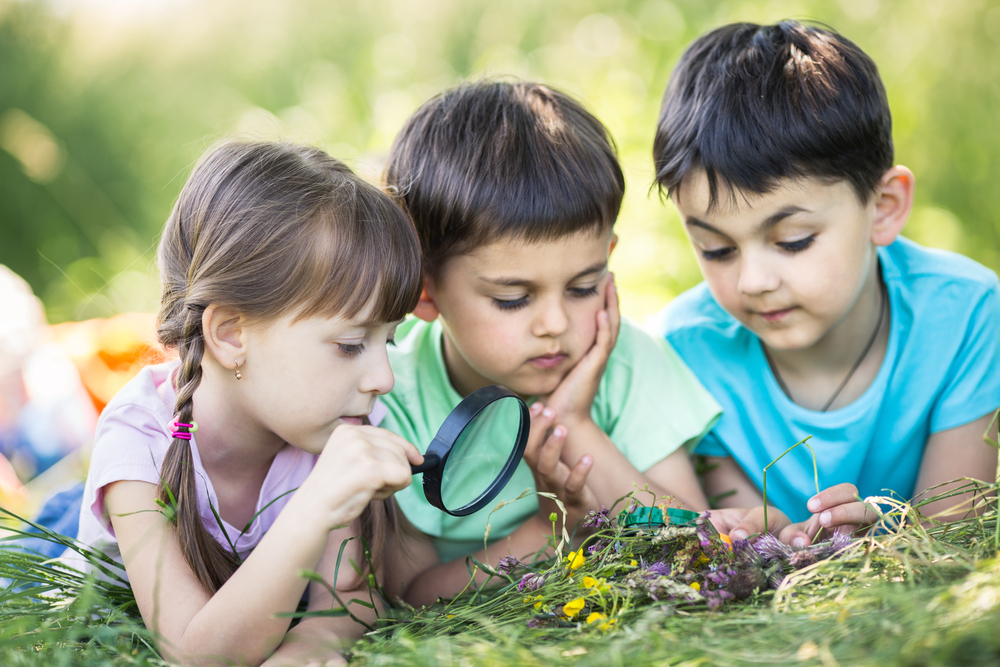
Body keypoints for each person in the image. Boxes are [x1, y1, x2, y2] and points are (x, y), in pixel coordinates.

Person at [379, 80, 783, 604]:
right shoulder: (389, 395)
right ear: (425, 289)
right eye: (512, 298)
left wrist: (575, 423)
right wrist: (551, 532)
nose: (555, 324)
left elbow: (697, 544)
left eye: (583, 287)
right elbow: (410, 596)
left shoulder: (628, 363)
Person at [73, 141, 439, 666]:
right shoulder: (139, 447)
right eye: (351, 345)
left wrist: (306, 649)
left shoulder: (331, 422)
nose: (383, 378)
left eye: (391, 340)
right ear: (229, 333)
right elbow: (196, 653)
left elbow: (349, 598)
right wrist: (317, 505)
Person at [647, 21, 1000, 545]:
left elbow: (953, 538)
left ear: (884, 208)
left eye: (792, 240)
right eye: (716, 249)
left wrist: (883, 540)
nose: (754, 281)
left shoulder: (966, 316)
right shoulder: (683, 353)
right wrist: (760, 530)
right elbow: (745, 534)